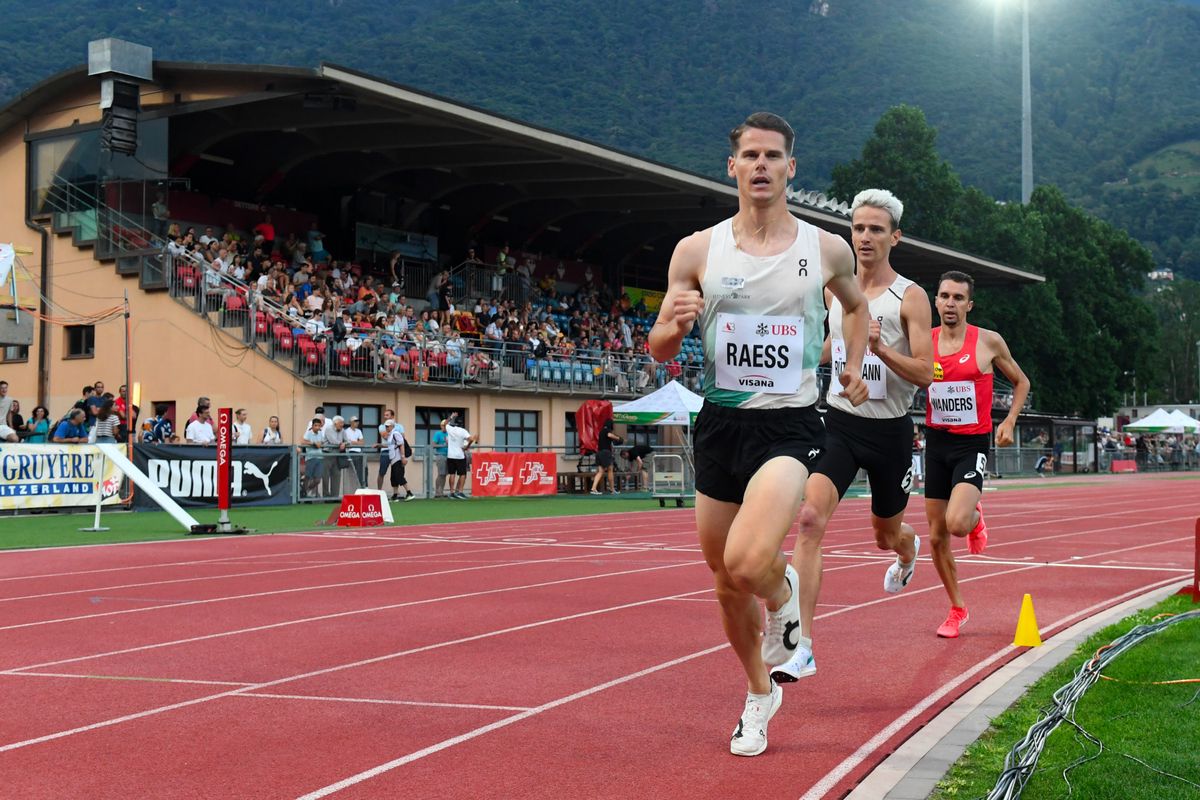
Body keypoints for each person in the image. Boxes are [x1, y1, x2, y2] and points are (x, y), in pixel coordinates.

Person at [647, 112, 869, 757]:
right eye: (751, 155)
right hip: (720, 424)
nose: (763, 165)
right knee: (723, 577)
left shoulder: (825, 249)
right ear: (733, 167)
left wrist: (851, 365)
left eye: (774, 155)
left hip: (790, 424)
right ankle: (757, 695)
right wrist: (675, 324)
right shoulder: (696, 251)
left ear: (791, 168)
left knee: (750, 563)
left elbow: (855, 308)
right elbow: (660, 346)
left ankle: (787, 594)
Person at [773, 189, 933, 684]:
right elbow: (831, 343)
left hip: (889, 433)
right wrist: (794, 359)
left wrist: (880, 353)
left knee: (885, 536)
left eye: (876, 229)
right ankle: (802, 646)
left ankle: (909, 553)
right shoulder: (834, 289)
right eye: (858, 228)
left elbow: (927, 371)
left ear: (895, 237)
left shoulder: (910, 297)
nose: (865, 237)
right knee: (808, 520)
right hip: (840, 423)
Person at [925, 270, 1030, 638]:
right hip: (936, 443)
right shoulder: (924, 341)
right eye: (944, 296)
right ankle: (957, 608)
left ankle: (973, 515)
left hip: (971, 444)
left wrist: (1010, 421)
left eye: (957, 298)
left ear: (969, 304)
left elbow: (1021, 381)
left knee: (956, 524)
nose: (950, 304)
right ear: (935, 301)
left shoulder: (988, 341)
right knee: (937, 537)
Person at [442, 414, 476, 499]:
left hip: (450, 455)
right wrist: (467, 447)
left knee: (452, 474)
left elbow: (445, 423)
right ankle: (460, 492)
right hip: (460, 455)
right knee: (462, 474)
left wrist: (451, 416)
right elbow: (471, 439)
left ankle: (452, 492)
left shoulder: (449, 429)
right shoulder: (463, 431)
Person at [383, 419, 416, 502]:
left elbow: (401, 445)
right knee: (393, 477)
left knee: (399, 476)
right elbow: (391, 446)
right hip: (393, 458)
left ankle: (409, 493)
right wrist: (379, 446)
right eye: (386, 426)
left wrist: (403, 457)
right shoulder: (390, 435)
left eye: (388, 426)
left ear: (392, 426)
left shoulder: (395, 433)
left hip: (398, 458)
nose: (386, 427)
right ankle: (395, 495)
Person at [589, 418, 623, 494]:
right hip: (605, 453)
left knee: (600, 471)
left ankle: (593, 488)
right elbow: (609, 435)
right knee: (610, 470)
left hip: (599, 453)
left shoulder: (601, 431)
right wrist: (618, 438)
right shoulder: (607, 431)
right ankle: (612, 489)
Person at [376, 409, 397, 490]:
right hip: (385, 451)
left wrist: (391, 433)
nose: (385, 417)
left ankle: (395, 493)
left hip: (396, 451)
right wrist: (393, 432)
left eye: (387, 415)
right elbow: (385, 436)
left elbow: (401, 437)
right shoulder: (381, 426)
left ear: (392, 416)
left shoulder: (399, 426)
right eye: (384, 415)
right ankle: (379, 491)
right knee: (382, 472)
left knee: (396, 472)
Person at [431, 422, 450, 497]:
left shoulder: (450, 434)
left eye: (446, 426)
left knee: (444, 474)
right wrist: (443, 444)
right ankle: (437, 492)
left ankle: (441, 491)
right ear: (441, 426)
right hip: (441, 455)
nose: (444, 427)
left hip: (449, 455)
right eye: (443, 425)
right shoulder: (438, 434)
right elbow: (433, 444)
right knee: (441, 474)